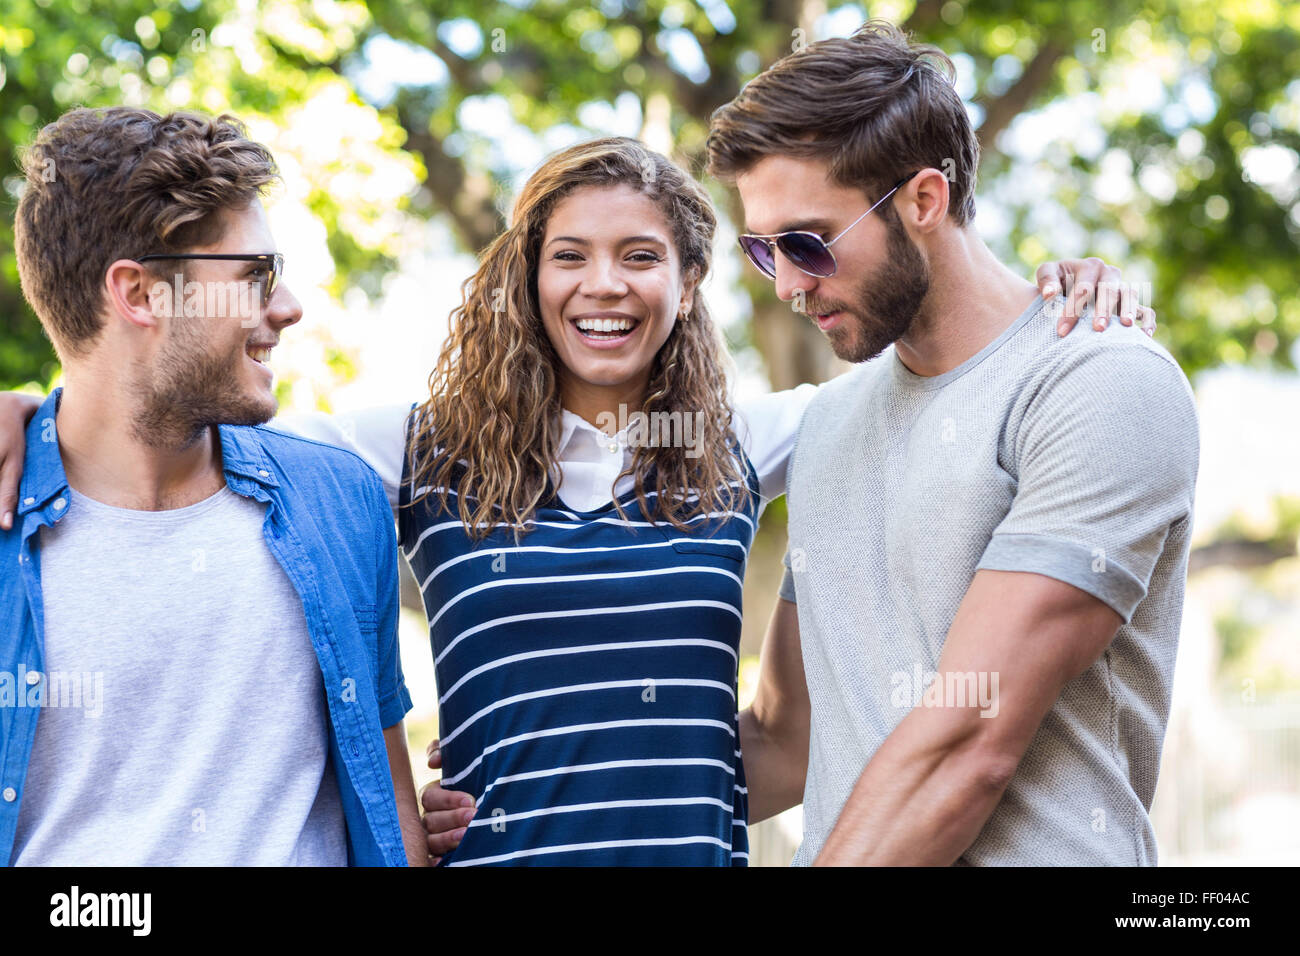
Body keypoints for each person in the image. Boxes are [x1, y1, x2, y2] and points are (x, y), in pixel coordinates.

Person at [0, 133, 1151, 866]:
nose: (605, 284)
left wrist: (1065, 289)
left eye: (641, 255)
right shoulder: (404, 451)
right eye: (571, 255)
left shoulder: (752, 442)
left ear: (691, 279)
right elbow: (139, 421)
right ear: (526, 276)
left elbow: (944, 370)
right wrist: (19, 409)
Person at [703, 20, 1199, 865]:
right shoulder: (828, 425)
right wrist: (531, 790)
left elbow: (965, 749)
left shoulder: (1096, 383)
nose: (786, 283)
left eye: (806, 243)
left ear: (924, 201)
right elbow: (787, 744)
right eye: (761, 249)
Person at [0, 107, 425, 866]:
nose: (288, 308)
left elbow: (391, 811)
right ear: (140, 294)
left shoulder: (339, 504)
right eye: (255, 277)